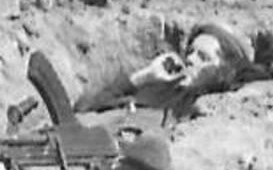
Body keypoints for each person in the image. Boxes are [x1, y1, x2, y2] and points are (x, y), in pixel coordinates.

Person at [76, 20, 260, 117]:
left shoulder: (220, 96)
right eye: (190, 52)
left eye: (203, 56)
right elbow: (82, 110)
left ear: (225, 66)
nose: (190, 59)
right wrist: (144, 77)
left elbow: (253, 76)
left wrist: (206, 77)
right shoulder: (164, 90)